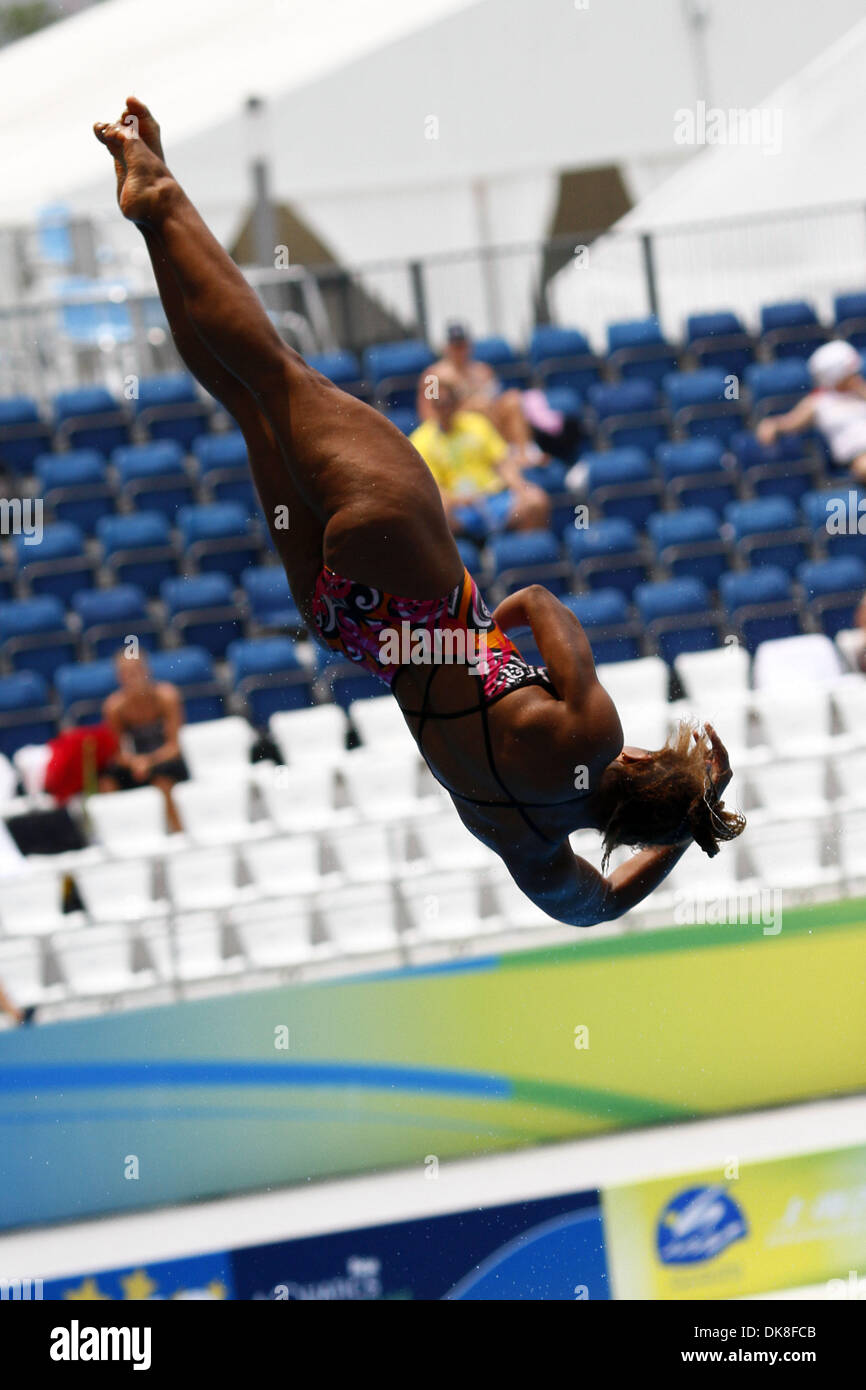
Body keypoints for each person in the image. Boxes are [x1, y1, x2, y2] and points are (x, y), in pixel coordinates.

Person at [93, 99, 744, 927]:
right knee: (246, 400)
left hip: (417, 575)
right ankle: (153, 222)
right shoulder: (531, 848)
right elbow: (602, 906)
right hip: (348, 621)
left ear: (642, 764)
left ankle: (160, 197)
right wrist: (685, 832)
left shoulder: (594, 734)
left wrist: (486, 626)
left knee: (284, 377)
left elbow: (541, 604)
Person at [409, 367, 550, 539]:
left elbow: (502, 462)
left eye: (448, 402)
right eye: (438, 403)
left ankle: (521, 554)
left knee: (535, 500)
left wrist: (519, 487)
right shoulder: (421, 439)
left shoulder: (477, 424)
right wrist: (457, 500)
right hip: (459, 507)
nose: (443, 408)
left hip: (493, 497)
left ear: (456, 402)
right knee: (437, 515)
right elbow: (432, 487)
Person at [417, 322, 541, 465]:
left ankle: (523, 453)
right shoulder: (433, 376)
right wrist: (467, 406)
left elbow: (495, 399)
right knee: (480, 405)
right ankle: (500, 457)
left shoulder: (482, 370)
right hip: (454, 423)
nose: (460, 350)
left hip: (489, 419)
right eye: (455, 346)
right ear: (447, 348)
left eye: (463, 345)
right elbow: (429, 415)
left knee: (512, 398)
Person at [99, 649, 187, 833]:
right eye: (127, 673)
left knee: (162, 781)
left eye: (137, 671)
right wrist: (134, 763)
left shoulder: (167, 696)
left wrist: (149, 761)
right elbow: (117, 753)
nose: (133, 678)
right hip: (137, 764)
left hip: (165, 760)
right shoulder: (115, 707)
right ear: (119, 677)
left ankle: (178, 834)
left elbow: (174, 747)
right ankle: (122, 834)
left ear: (147, 671)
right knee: (107, 783)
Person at [757, 339, 866, 483]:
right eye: (849, 372)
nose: (855, 374)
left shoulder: (861, 391)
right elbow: (790, 422)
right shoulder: (818, 401)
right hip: (858, 457)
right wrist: (773, 425)